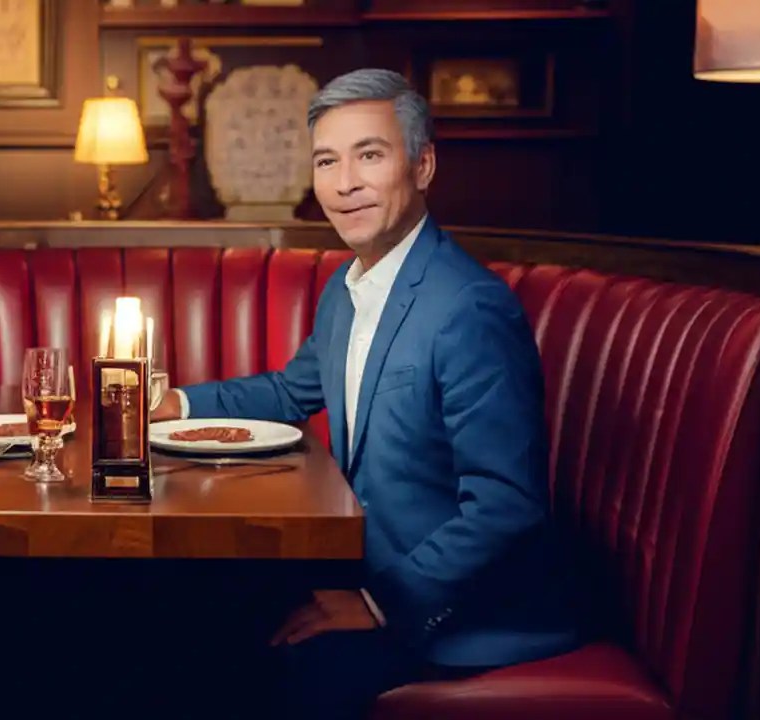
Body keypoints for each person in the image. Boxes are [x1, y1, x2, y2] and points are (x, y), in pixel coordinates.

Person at [152, 68, 581, 717]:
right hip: (369, 567)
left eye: (369, 155)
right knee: (187, 610)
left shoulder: (469, 307)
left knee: (261, 664)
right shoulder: (351, 288)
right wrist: (172, 405)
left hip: (459, 614)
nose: (344, 182)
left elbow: (507, 505)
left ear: (423, 164)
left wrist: (379, 602)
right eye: (327, 161)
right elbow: (288, 392)